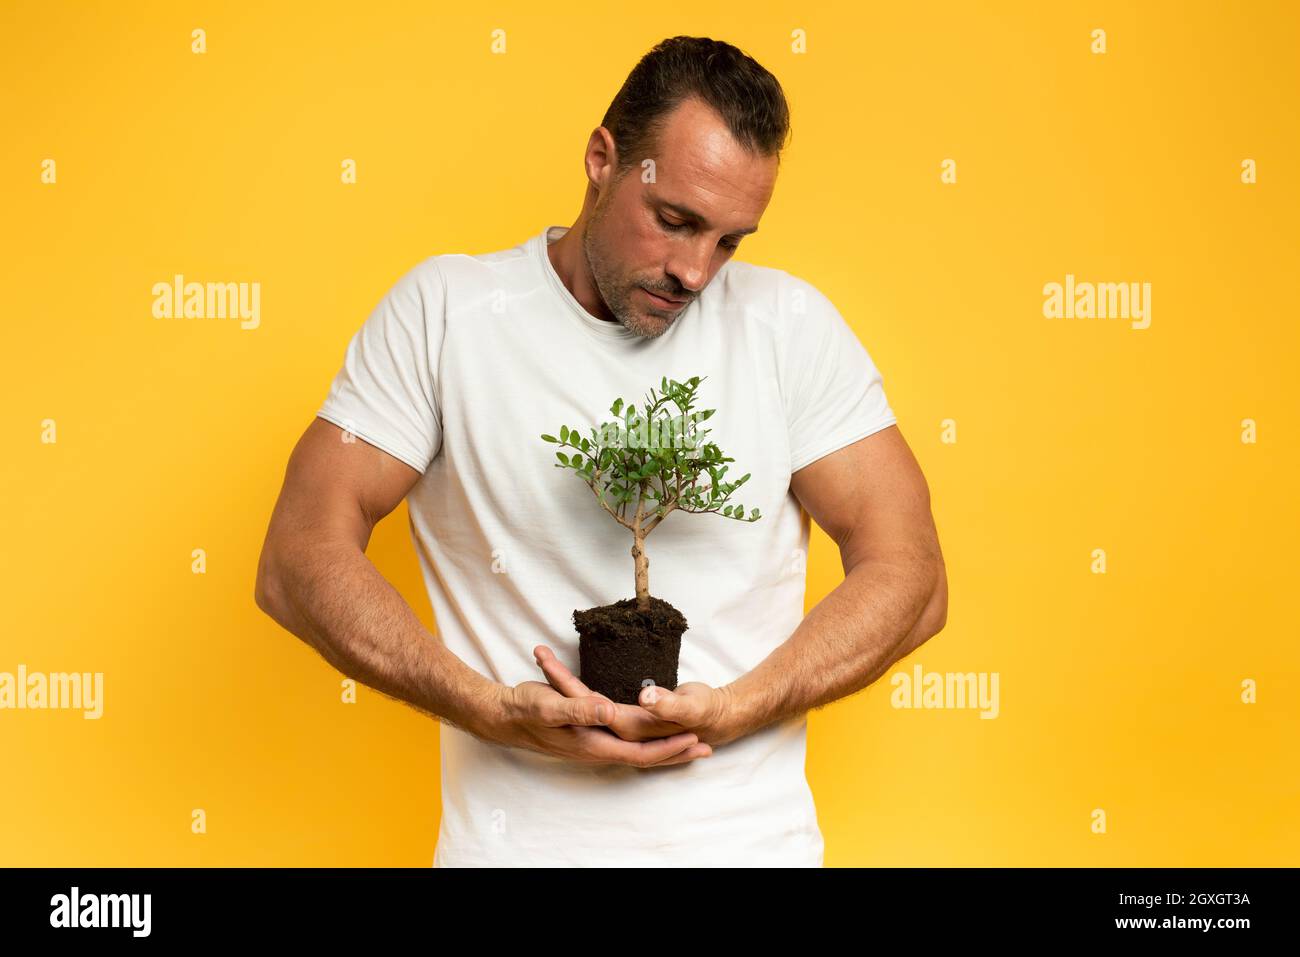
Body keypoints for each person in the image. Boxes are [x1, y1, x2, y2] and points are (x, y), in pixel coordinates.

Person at [254, 35, 947, 867]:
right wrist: (486, 707)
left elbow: (913, 576)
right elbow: (297, 557)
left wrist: (740, 704)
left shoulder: (788, 328)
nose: (695, 271)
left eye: (729, 241)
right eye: (675, 220)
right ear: (602, 160)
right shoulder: (447, 314)